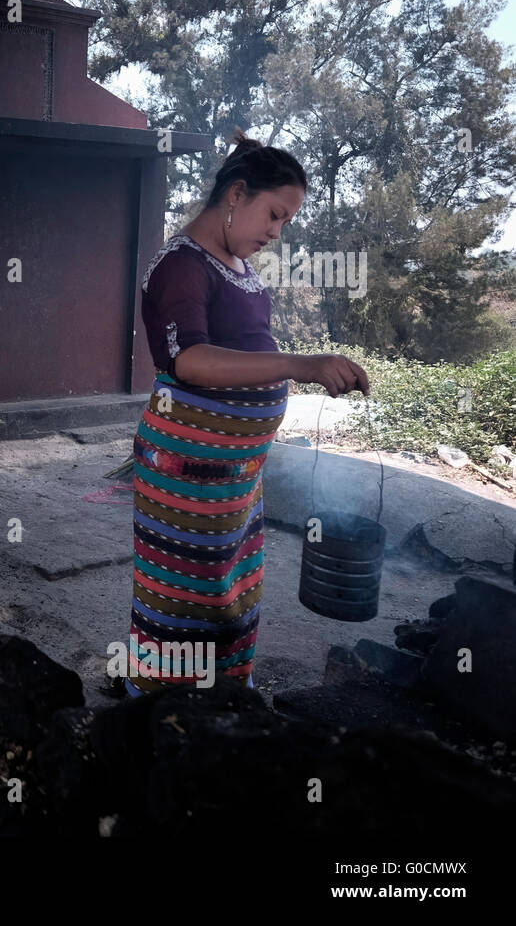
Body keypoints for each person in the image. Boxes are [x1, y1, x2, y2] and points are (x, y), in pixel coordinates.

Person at [123, 129, 369, 697]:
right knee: (185, 589)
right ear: (236, 195)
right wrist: (302, 365)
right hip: (187, 471)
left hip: (234, 475)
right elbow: (192, 360)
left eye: (285, 223)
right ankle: (161, 711)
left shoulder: (230, 261)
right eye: (274, 215)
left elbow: (247, 344)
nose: (276, 233)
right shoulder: (180, 264)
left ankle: (224, 698)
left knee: (229, 586)